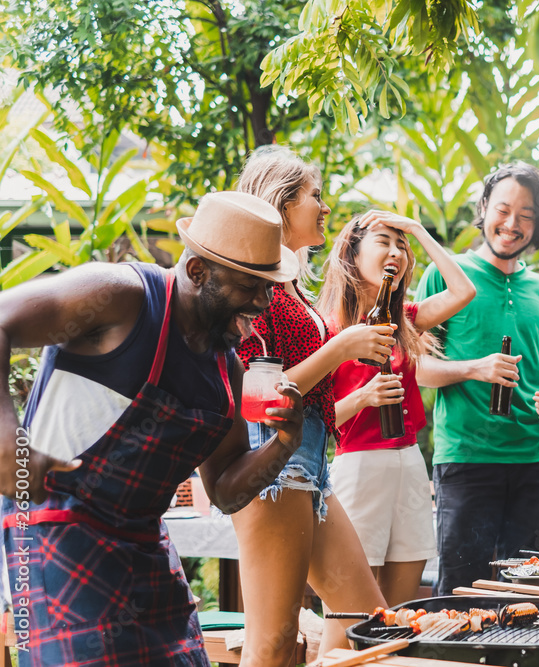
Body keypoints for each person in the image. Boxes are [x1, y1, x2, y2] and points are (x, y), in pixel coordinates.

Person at [0, 191, 305, 666]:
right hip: (56, 527)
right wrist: (7, 441)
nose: (263, 303)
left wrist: (284, 445)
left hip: (144, 543)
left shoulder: (228, 374)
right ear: (198, 272)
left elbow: (224, 490)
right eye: (250, 286)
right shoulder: (120, 296)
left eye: (269, 287)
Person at [231, 146, 391, 664]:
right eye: (315, 196)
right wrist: (343, 347)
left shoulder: (290, 282)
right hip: (274, 465)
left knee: (371, 623)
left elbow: (314, 400)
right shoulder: (254, 282)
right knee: (273, 642)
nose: (325, 207)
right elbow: (260, 396)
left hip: (311, 464)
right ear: (280, 202)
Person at [415, 161, 539, 594]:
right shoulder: (446, 275)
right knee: (464, 592)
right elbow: (420, 370)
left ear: (538, 225)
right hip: (466, 461)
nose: (512, 223)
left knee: (534, 591)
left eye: (526, 214)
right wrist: (474, 368)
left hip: (532, 462)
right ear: (484, 209)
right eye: (503, 209)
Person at [316, 209, 476, 606]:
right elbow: (315, 421)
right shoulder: (327, 329)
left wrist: (417, 230)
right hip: (358, 469)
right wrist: (363, 397)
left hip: (409, 465)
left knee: (401, 611)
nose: (395, 252)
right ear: (352, 254)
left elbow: (463, 291)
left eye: (400, 246)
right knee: (356, 612)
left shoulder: (404, 319)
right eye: (383, 242)